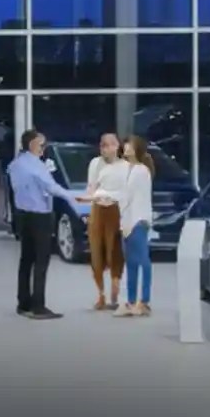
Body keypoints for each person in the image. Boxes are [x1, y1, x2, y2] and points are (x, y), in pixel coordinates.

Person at [81, 134, 154, 317]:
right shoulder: (128, 169)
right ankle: (128, 302)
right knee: (130, 262)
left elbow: (126, 195)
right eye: (126, 145)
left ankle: (143, 301)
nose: (125, 148)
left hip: (138, 220)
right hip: (126, 220)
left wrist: (98, 195)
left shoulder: (141, 171)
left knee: (142, 260)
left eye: (129, 145)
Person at [7, 129, 77, 320]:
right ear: (31, 145)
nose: (44, 148)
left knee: (26, 259)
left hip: (23, 215)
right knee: (41, 261)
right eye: (42, 144)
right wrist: (75, 196)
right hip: (40, 217)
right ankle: (38, 306)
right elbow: (51, 187)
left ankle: (23, 303)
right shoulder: (35, 166)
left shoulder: (15, 164)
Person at [84, 133, 127, 310]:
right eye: (103, 145)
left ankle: (115, 292)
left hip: (116, 211)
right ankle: (101, 294)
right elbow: (91, 187)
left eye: (110, 144)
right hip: (98, 210)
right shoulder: (95, 163)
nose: (106, 148)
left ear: (117, 146)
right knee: (96, 254)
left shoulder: (125, 167)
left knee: (115, 252)